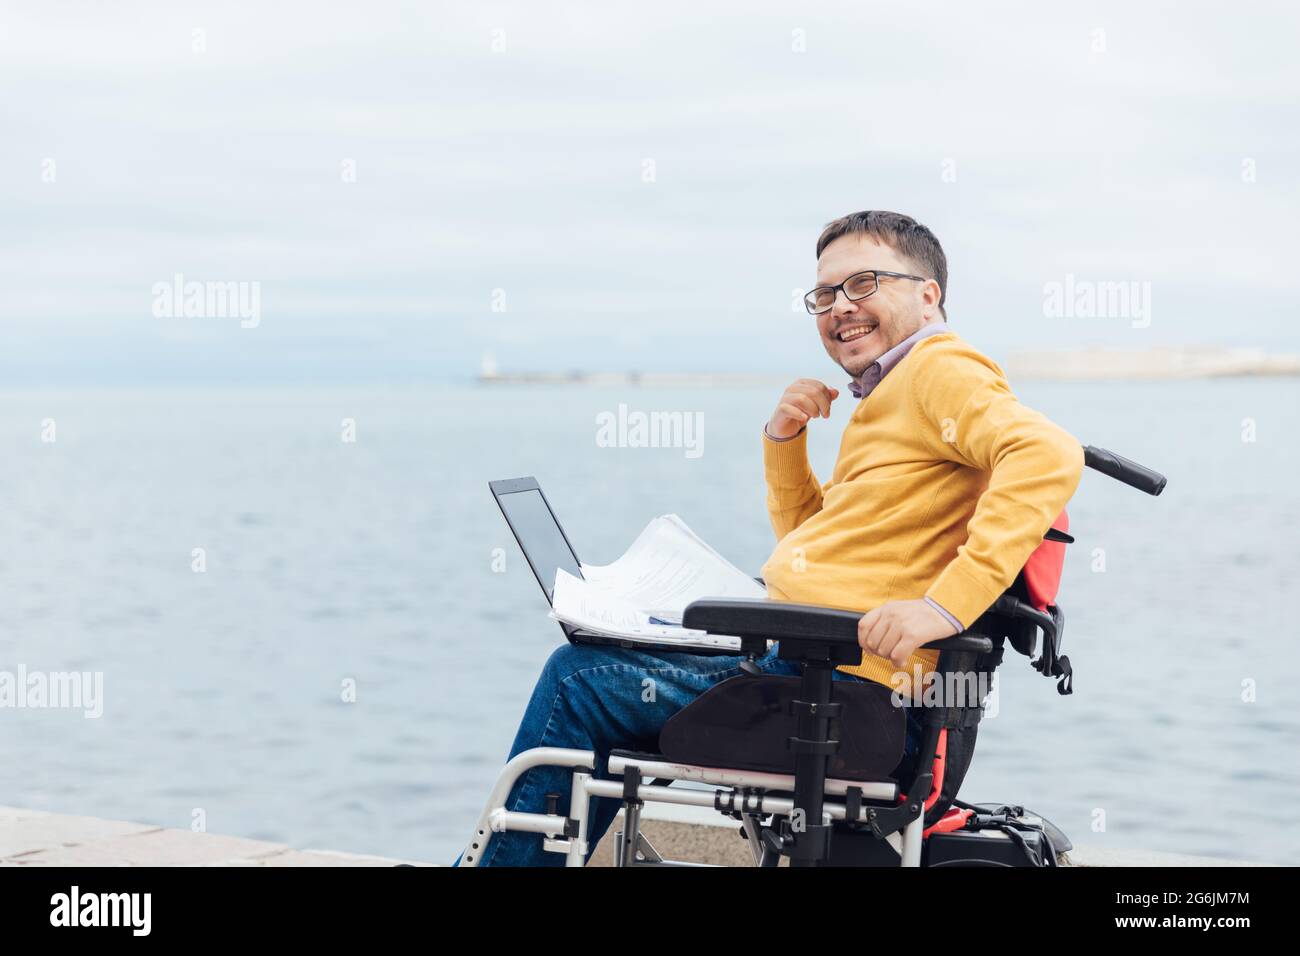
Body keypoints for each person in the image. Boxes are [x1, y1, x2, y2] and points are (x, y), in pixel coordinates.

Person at [466, 210, 1084, 866]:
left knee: (579, 681)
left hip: (847, 696)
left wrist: (943, 606)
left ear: (928, 295)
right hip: (822, 675)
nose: (839, 308)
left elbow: (1047, 454)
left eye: (863, 283)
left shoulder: (940, 368)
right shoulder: (889, 392)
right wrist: (785, 444)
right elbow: (819, 548)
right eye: (824, 294)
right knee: (604, 669)